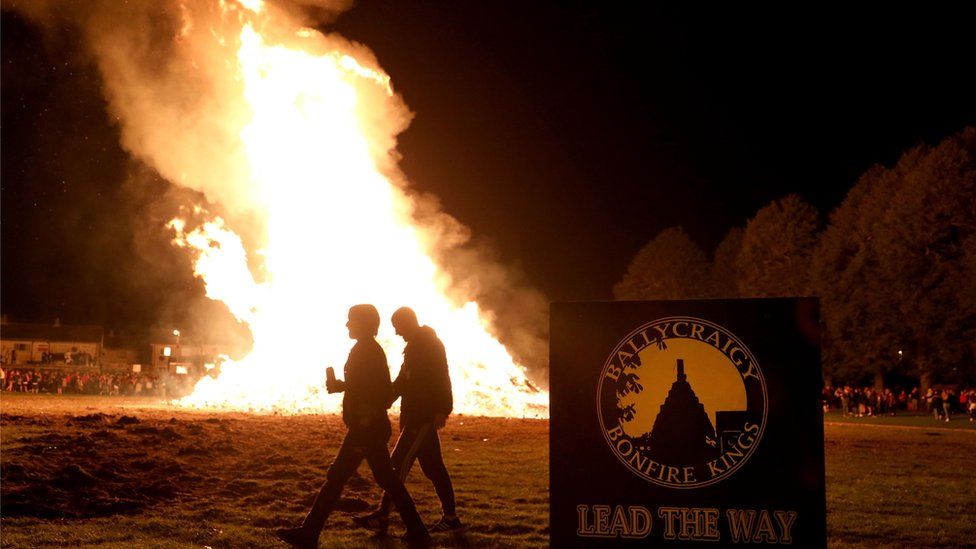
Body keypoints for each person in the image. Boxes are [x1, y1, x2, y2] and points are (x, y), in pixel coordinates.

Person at [276, 305, 430, 547]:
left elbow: (378, 390)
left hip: (366, 428)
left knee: (338, 477)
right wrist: (342, 386)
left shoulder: (367, 351)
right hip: (368, 426)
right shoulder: (366, 349)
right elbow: (367, 385)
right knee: (384, 479)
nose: (347, 325)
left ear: (364, 323)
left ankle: (309, 533)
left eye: (351, 321)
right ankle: (418, 530)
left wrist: (364, 415)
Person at [354, 306, 463, 535]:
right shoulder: (414, 347)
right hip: (415, 415)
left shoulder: (429, 345)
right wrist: (383, 398)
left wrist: (442, 409)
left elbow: (442, 377)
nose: (396, 333)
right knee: (434, 468)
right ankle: (451, 518)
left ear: (408, 322)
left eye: (398, 327)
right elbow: (403, 381)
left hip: (421, 417)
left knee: (397, 464)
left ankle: (383, 516)